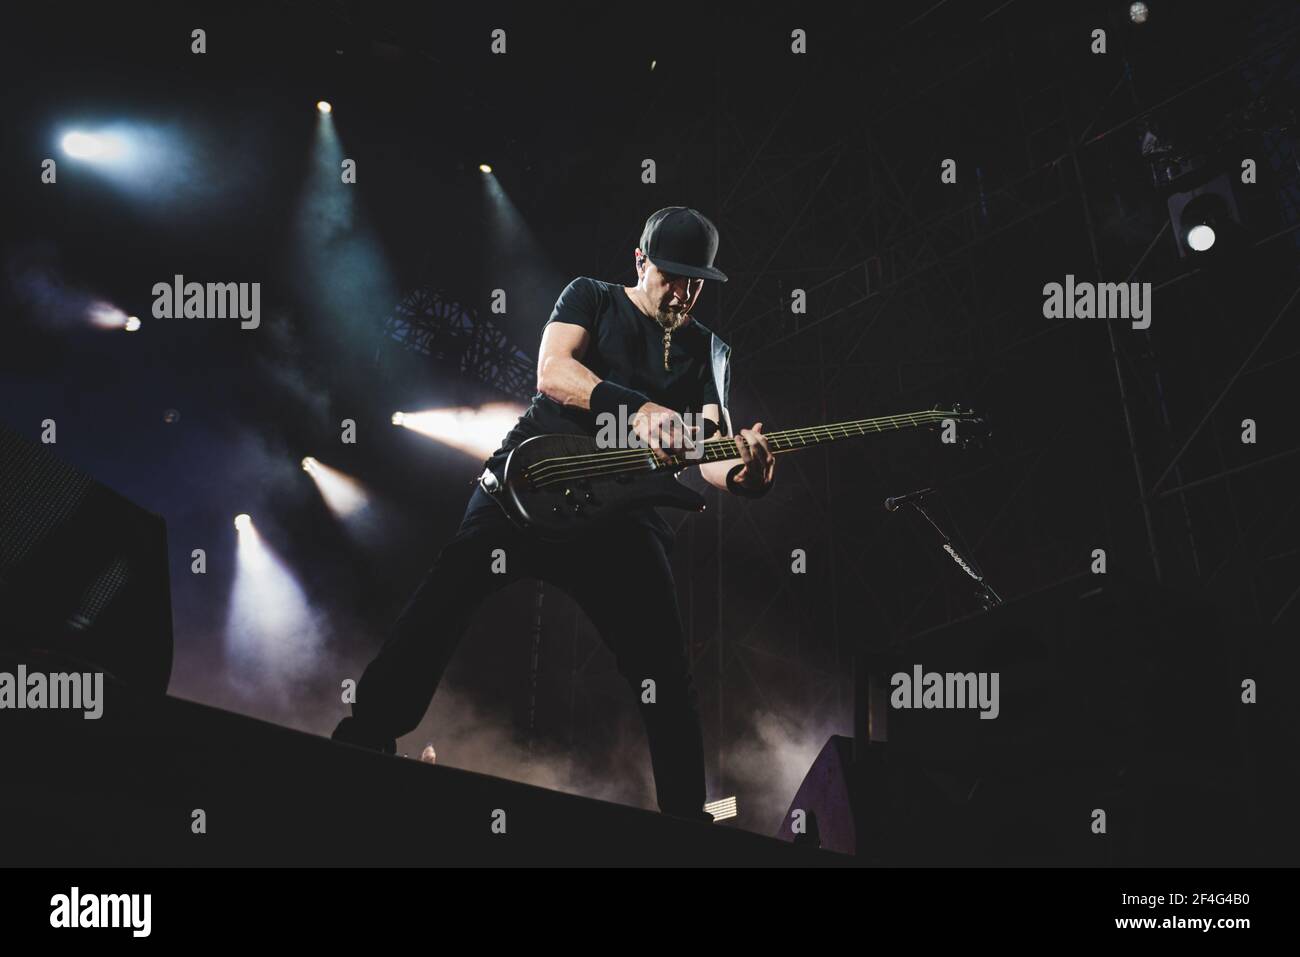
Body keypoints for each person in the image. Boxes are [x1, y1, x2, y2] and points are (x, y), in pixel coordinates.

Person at [332, 207, 776, 822]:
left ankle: (684, 819)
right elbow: (554, 373)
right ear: (640, 261)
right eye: (670, 276)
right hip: (531, 480)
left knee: (664, 673)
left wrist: (745, 475)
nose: (682, 292)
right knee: (443, 597)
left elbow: (708, 452)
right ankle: (366, 736)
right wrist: (639, 409)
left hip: (622, 519)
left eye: (695, 282)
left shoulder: (710, 352)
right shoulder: (591, 297)